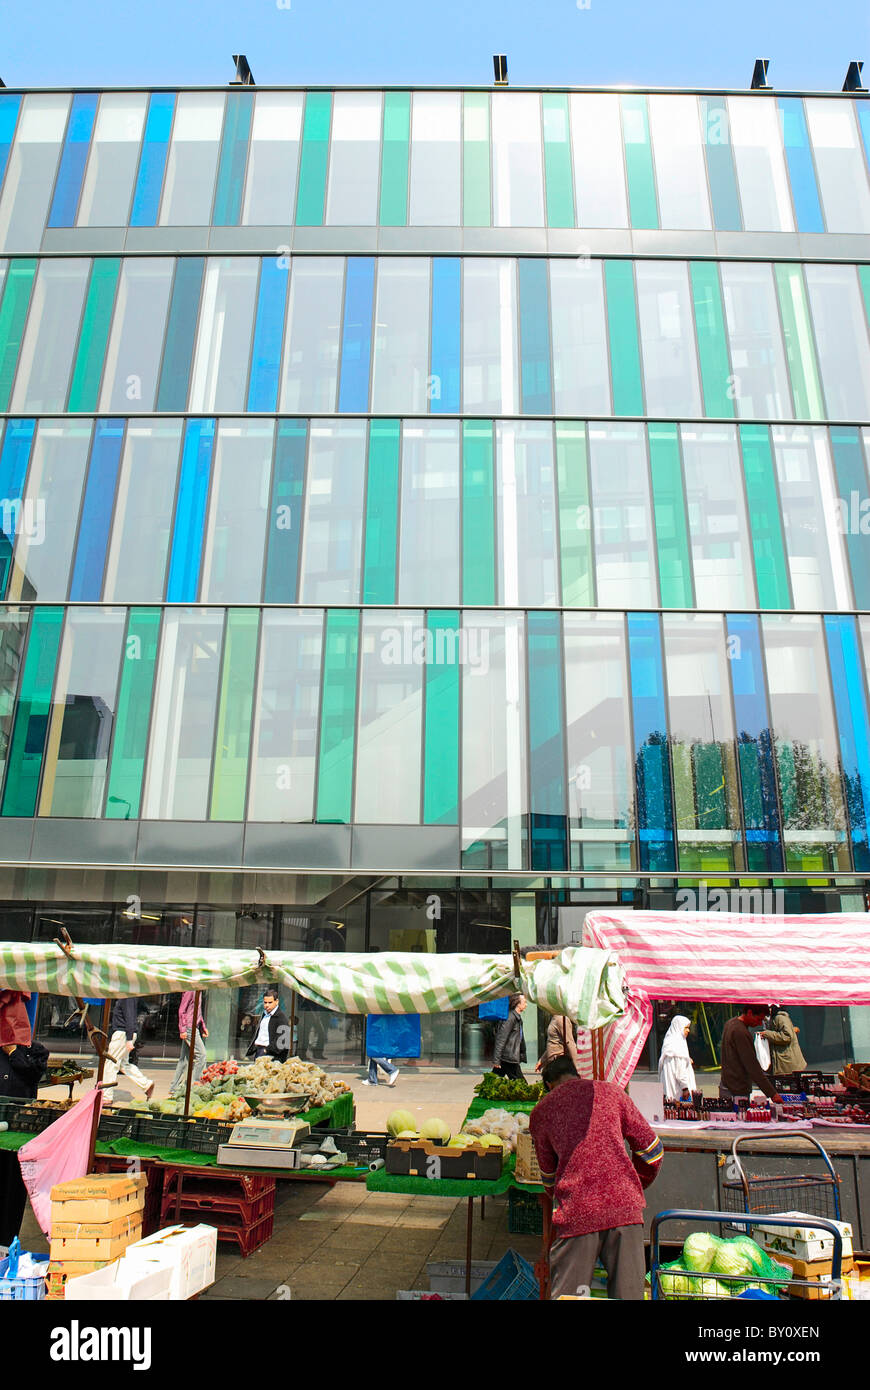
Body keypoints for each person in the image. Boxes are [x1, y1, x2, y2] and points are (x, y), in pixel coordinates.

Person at [529, 1056, 664, 1301]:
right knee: (630, 1295)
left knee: (569, 1297)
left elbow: (548, 1178)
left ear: (548, 1084)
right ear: (576, 1073)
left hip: (578, 1212)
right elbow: (653, 1152)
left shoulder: (542, 1111)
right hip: (625, 1208)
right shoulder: (612, 1093)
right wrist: (632, 1182)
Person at [0, 1038, 49, 1248]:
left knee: (12, 1188)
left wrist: (12, 1052)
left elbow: (33, 1073)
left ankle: (5, 1242)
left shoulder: (35, 1051)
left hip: (20, 1129)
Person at [719, 1005, 783, 1104]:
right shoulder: (740, 1032)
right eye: (758, 1019)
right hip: (736, 1088)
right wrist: (772, 1094)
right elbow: (752, 1066)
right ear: (749, 1013)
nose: (759, 1023)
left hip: (727, 1084)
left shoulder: (730, 1024)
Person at [103, 997, 154, 1103]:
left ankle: (107, 1096)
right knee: (123, 1065)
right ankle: (146, 1084)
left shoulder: (128, 997)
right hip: (125, 1033)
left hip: (123, 1034)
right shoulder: (130, 996)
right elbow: (142, 1008)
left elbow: (130, 1017)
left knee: (111, 1064)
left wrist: (129, 1038)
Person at [169, 991, 209, 1098]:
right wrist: (182, 1029)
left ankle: (174, 1087)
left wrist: (203, 1026)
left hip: (193, 1027)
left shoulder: (199, 991)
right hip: (189, 1028)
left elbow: (198, 1011)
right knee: (202, 1055)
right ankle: (194, 1084)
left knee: (184, 1059)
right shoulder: (191, 990)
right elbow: (182, 1010)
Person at [245, 987, 291, 1063]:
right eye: (265, 1002)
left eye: (270, 1002)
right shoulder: (264, 1014)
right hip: (260, 1051)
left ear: (276, 1002)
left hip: (271, 1054)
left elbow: (283, 1041)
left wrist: (267, 1050)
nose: (267, 1005)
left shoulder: (281, 1017)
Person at [761, 1004, 807, 1077]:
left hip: (788, 1063)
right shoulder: (771, 1019)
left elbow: (787, 1036)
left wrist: (767, 1034)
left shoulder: (780, 1018)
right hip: (781, 1061)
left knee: (791, 1084)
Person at [658, 1014, 696, 1101]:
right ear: (679, 1027)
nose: (688, 1030)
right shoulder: (678, 1045)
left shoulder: (670, 1041)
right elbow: (680, 1072)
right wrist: (685, 1088)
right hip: (678, 1092)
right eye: (685, 1027)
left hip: (669, 1089)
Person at [492, 994, 527, 1080]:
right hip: (508, 1058)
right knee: (521, 1084)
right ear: (518, 1004)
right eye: (525, 1002)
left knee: (493, 1081)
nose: (526, 1004)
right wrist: (496, 1059)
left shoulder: (516, 1018)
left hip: (507, 1057)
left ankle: (484, 1092)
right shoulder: (510, 1018)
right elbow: (501, 1038)